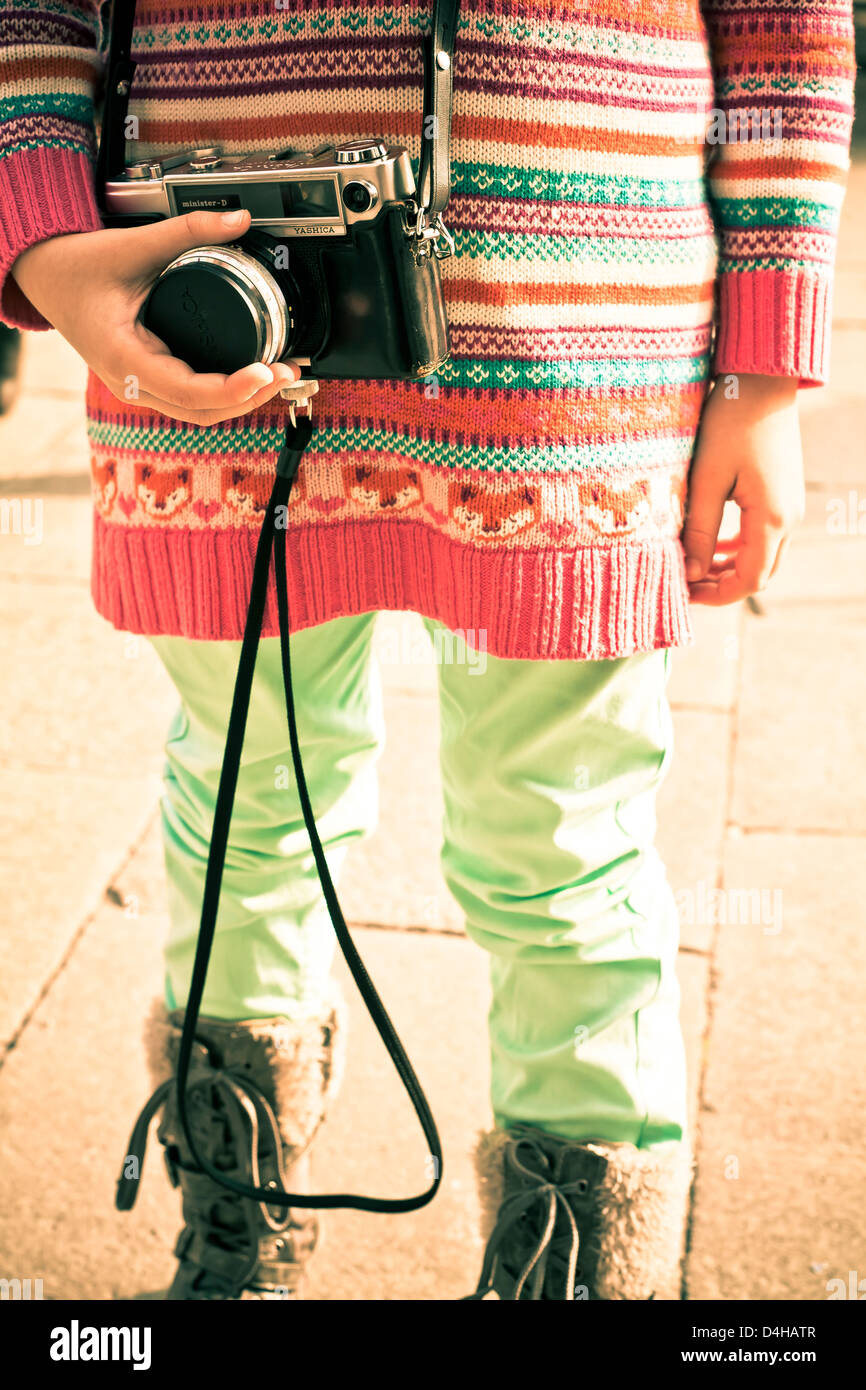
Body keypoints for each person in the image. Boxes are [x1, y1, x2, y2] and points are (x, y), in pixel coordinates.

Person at [0, 1, 856, 1301]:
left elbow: (785, 25)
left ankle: (573, 1276)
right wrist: (46, 237)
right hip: (207, 307)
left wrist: (764, 368)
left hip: (577, 310)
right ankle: (239, 1230)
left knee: (560, 839)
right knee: (239, 808)